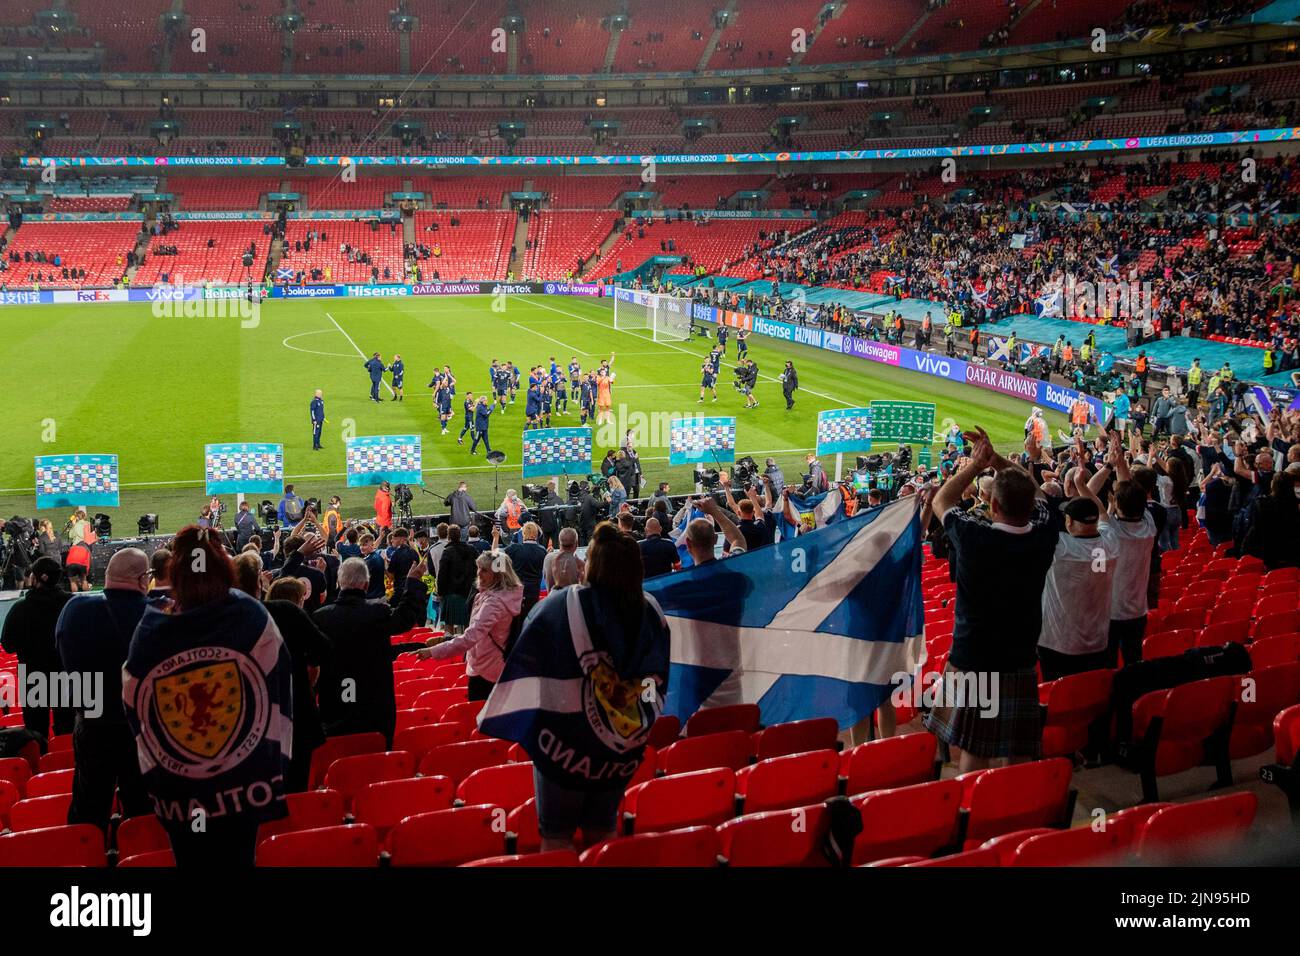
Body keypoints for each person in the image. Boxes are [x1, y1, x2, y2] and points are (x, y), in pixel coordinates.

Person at [479, 523, 670, 851]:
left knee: (556, 835)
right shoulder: (651, 609)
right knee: (602, 828)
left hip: (563, 747)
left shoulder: (560, 606)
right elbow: (658, 677)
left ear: (590, 564)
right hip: (621, 750)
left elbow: (525, 661)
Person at [122, 526, 294, 867]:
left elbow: (134, 705)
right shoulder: (251, 615)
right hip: (247, 781)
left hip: (181, 788)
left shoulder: (150, 629)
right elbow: (279, 689)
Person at [924, 427, 1058, 772]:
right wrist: (996, 461)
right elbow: (1037, 495)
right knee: (1020, 747)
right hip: (1021, 655)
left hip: (975, 656)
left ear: (993, 504)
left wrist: (975, 465)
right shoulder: (1044, 534)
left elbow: (941, 501)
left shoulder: (973, 536)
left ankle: (973, 811)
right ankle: (1016, 812)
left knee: (975, 744)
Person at [54, 548, 154, 833]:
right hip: (141, 729)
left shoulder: (75, 610)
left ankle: (84, 858)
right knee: (142, 808)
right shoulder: (157, 614)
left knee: (89, 807)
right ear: (143, 578)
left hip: (93, 725)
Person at [313, 555, 428, 747]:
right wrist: (413, 584)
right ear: (366, 585)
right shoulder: (377, 613)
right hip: (374, 705)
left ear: (340, 583)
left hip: (335, 702)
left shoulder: (320, 618)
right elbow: (405, 618)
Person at [1037, 462, 1119, 681]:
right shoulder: (1110, 544)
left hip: (1058, 643)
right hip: (1098, 639)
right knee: (1091, 692)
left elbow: (1038, 502)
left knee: (1059, 698)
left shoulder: (1060, 548)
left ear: (1069, 521)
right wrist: (1082, 486)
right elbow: (1102, 513)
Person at [412, 551, 523, 701]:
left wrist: (433, 651)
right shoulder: (505, 596)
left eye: (484, 570)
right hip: (497, 664)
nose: (478, 573)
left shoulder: (493, 603)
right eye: (478, 568)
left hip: (485, 670)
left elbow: (471, 637)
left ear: (498, 575)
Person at [263, 576, 330, 793]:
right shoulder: (293, 619)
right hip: (296, 713)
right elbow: (325, 649)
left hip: (269, 717)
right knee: (297, 782)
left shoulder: (259, 621)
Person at [2, 556, 75, 743]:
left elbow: (8, 645)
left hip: (33, 678)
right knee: (68, 729)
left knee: (36, 732)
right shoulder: (72, 604)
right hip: (66, 676)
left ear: (38, 578)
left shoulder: (21, 609)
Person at [436, 524, 478, 634]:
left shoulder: (447, 552)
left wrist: (440, 592)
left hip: (451, 593)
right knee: (468, 623)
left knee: (449, 624)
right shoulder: (471, 549)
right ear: (460, 536)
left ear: (449, 537)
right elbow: (479, 567)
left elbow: (442, 574)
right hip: (469, 592)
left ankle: (450, 645)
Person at [505, 522, 547, 616]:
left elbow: (497, 561)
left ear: (523, 534)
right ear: (536, 535)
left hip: (517, 591)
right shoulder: (542, 551)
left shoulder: (514, 549)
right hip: (533, 592)